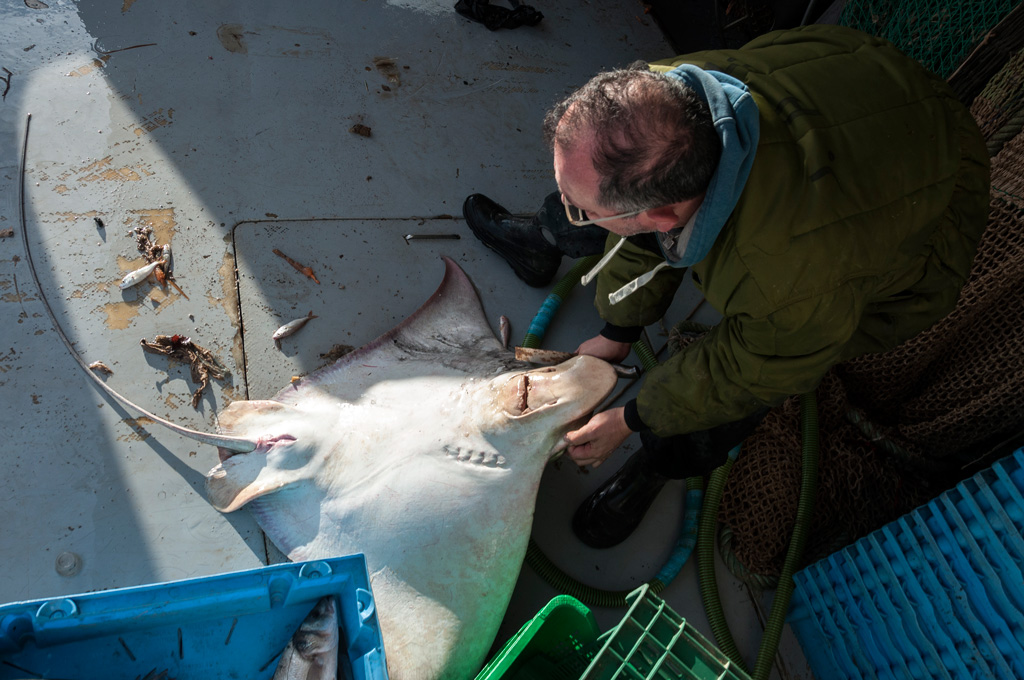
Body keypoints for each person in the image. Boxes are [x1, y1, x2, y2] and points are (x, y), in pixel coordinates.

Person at [464, 24, 990, 549]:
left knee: (739, 391)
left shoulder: (791, 280)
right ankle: (544, 242)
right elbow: (640, 223)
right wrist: (616, 327)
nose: (573, 209)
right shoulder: (668, 90)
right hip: (849, 72)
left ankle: (656, 465)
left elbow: (745, 371)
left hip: (926, 195)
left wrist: (632, 418)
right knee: (600, 192)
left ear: (665, 216)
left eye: (579, 207)